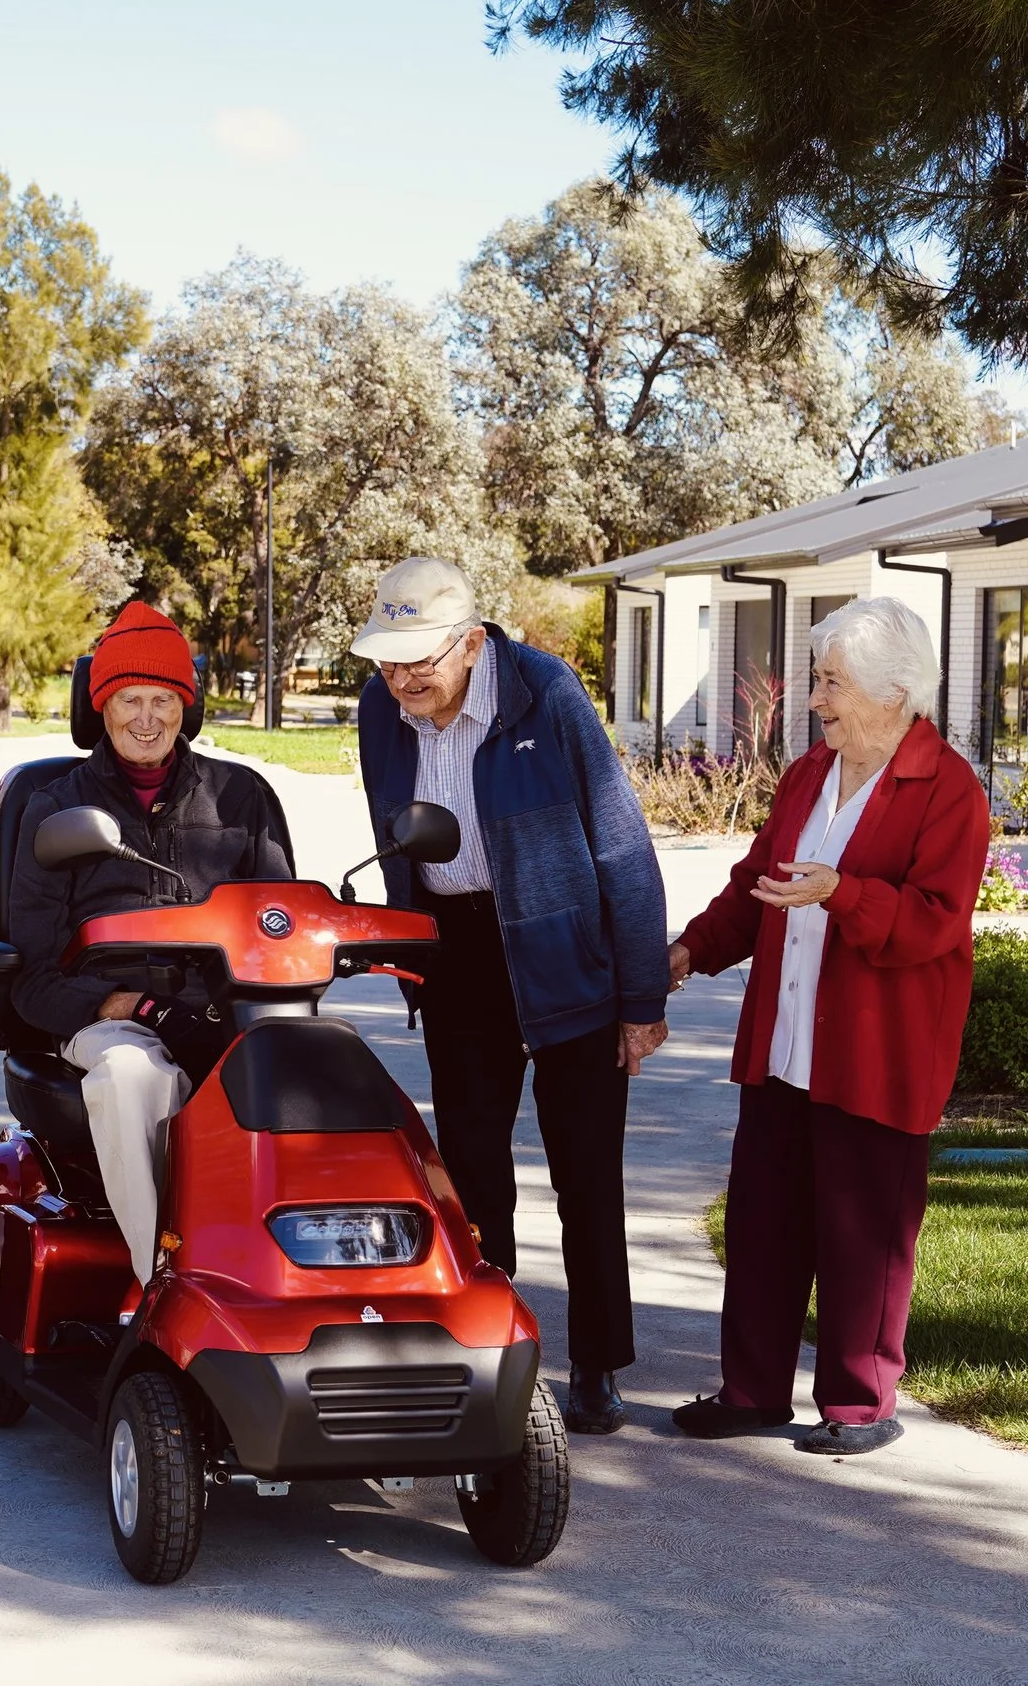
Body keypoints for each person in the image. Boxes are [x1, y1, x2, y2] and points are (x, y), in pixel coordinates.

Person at [351, 558, 669, 1438]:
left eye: (419, 659)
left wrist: (641, 997)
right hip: (458, 955)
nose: (402, 679)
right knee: (474, 1171)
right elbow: (393, 827)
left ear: (472, 642)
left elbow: (622, 846)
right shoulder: (383, 709)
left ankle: (599, 1364)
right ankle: (492, 1346)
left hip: (565, 949)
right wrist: (399, 943)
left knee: (585, 1175)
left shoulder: (544, 693)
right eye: (387, 661)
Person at [668, 597, 988, 1456]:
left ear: (894, 690)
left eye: (831, 682)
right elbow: (754, 884)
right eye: (820, 681)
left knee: (865, 1228)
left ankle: (859, 1402)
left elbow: (935, 921)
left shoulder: (947, 788)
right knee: (764, 1221)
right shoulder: (811, 772)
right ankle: (752, 1391)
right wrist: (689, 951)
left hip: (878, 1050)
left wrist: (841, 893)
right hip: (785, 1041)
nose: (816, 699)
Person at [4, 601, 295, 1286]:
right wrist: (129, 1005)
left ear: (185, 707)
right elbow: (35, 970)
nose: (146, 718)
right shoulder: (56, 809)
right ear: (100, 707)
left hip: (228, 1016)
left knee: (329, 1070)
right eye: (129, 699)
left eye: (163, 699)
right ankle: (164, 1281)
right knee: (137, 1077)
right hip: (107, 1020)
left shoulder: (244, 799)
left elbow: (282, 926)